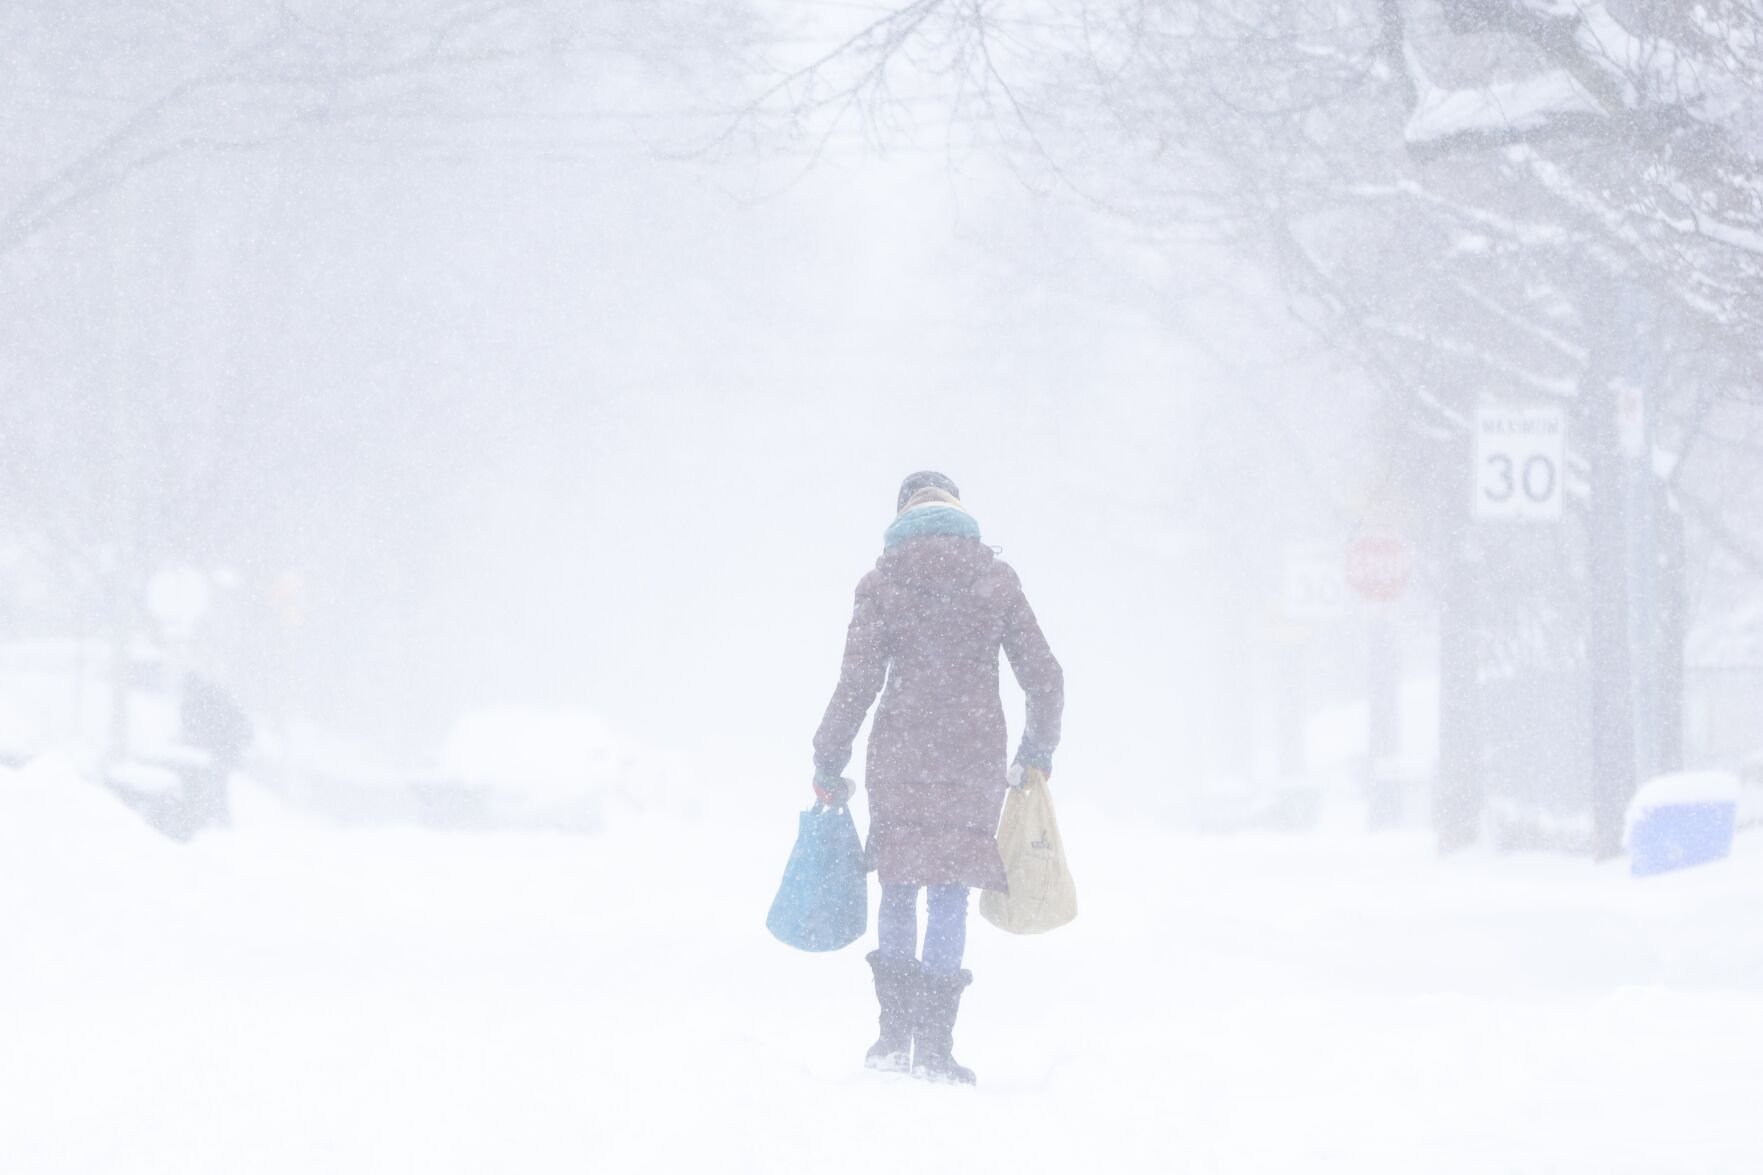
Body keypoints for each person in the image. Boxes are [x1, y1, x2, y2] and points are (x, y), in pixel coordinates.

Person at [812, 471, 1064, 1085]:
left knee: (899, 884)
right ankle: (934, 1049)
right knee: (950, 888)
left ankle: (892, 1040)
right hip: (973, 757)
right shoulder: (994, 580)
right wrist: (1037, 750)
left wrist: (828, 757)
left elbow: (857, 683)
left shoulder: (883, 582)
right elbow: (1045, 677)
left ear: (901, 516)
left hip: (900, 756)